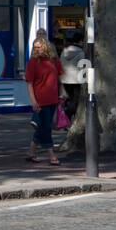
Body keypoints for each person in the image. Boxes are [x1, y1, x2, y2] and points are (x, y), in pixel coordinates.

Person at [25, 37, 65, 165]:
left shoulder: (54, 60)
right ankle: (52, 155)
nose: (36, 50)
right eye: (35, 47)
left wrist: (61, 94)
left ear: (46, 47)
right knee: (46, 128)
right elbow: (29, 84)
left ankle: (31, 152)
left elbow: (59, 79)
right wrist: (33, 101)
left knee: (42, 127)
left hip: (53, 98)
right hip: (40, 99)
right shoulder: (32, 62)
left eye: (39, 47)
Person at [59, 32, 86, 118]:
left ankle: (68, 120)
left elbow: (60, 64)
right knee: (76, 101)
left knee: (70, 100)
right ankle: (66, 116)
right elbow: (83, 67)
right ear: (80, 41)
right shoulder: (81, 53)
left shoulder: (64, 51)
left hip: (65, 80)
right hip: (76, 80)